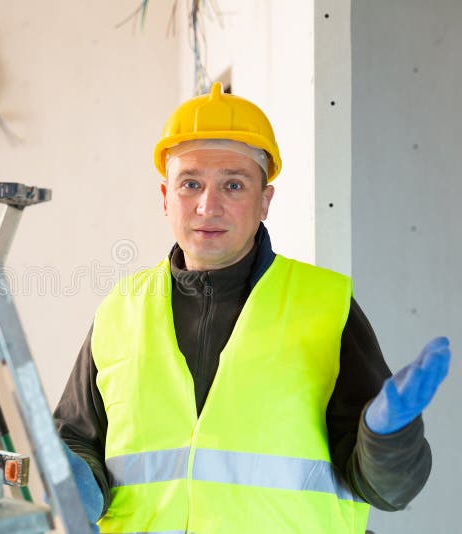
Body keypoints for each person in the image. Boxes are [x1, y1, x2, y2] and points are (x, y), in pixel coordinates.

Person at [53, 82, 451, 533]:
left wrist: (389, 439)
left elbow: (387, 490)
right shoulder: (120, 310)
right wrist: (71, 483)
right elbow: (77, 442)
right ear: (166, 197)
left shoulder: (323, 305)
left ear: (264, 201)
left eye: (233, 184)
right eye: (190, 184)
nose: (208, 205)